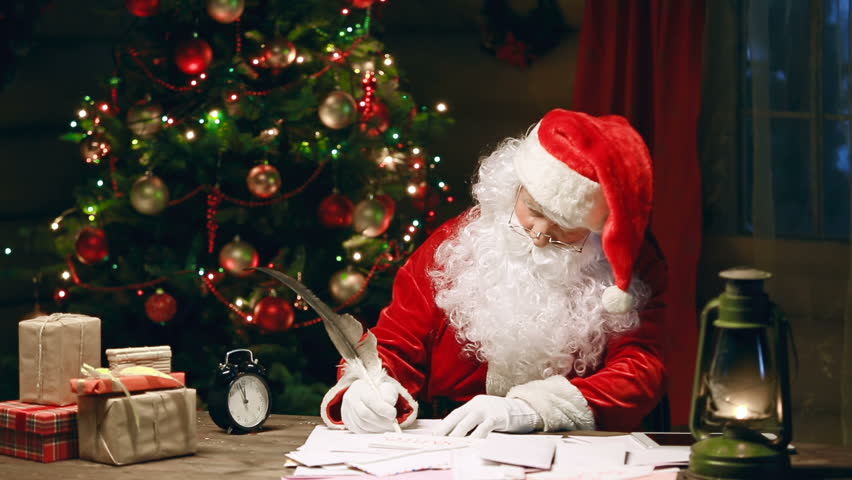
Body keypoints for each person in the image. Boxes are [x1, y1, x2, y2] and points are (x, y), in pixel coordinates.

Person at [320, 109, 667, 437]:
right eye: (531, 209)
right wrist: (366, 390)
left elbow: (640, 369)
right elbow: (398, 340)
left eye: (565, 226)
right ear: (513, 185)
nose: (540, 234)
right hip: (449, 440)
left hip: (570, 445)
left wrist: (533, 410)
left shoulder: (631, 265)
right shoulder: (459, 242)